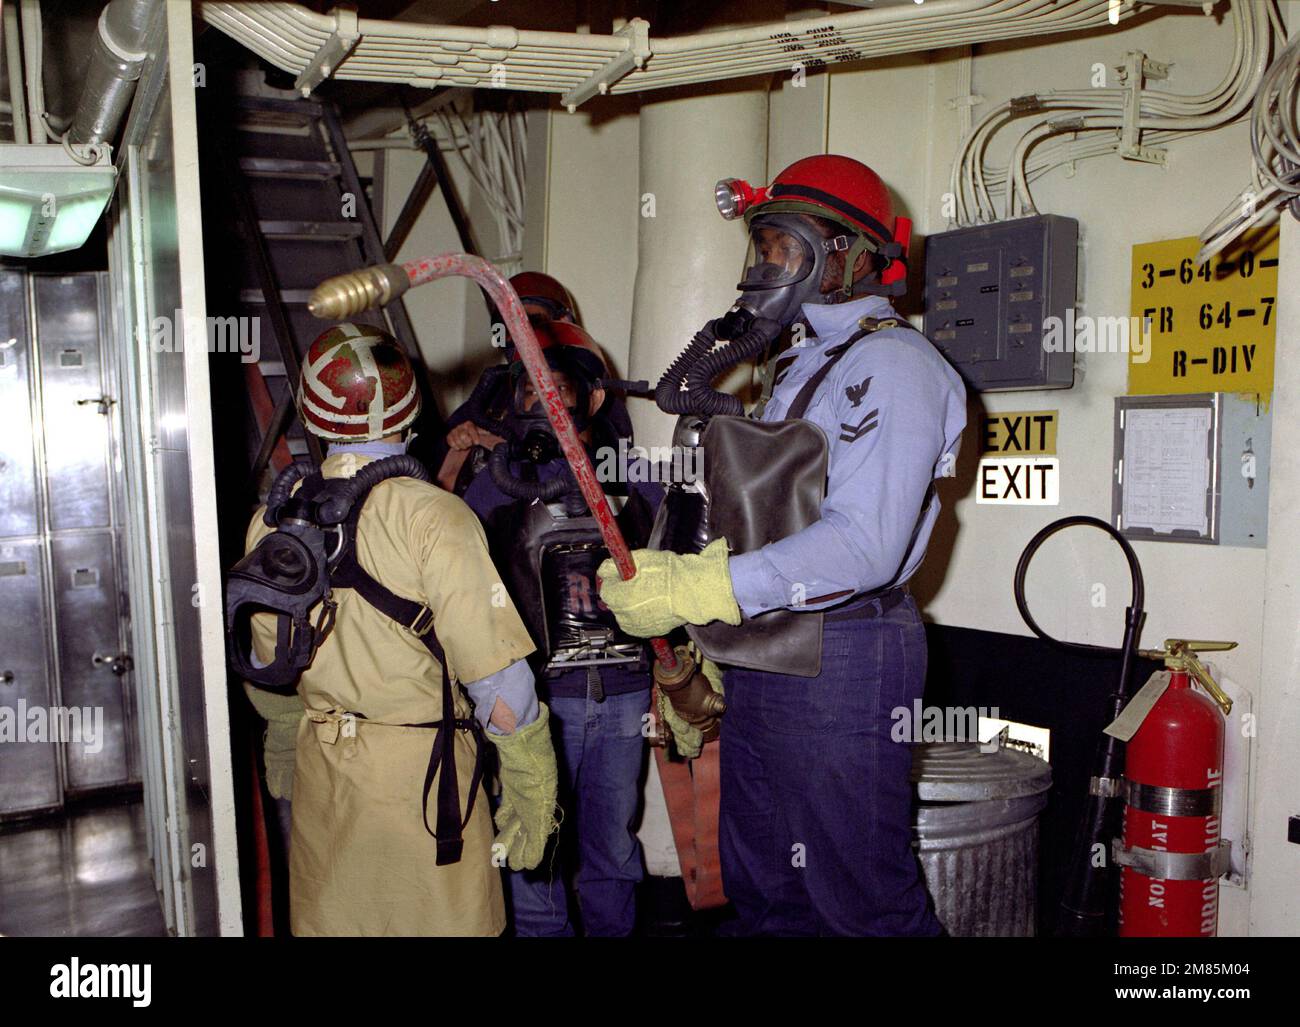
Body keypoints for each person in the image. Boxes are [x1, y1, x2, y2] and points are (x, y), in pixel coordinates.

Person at [598, 155, 968, 936]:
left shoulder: (895, 365)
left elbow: (862, 547)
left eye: (784, 246)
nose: (765, 265)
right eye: (760, 245)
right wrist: (713, 636)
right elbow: (769, 515)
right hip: (774, 647)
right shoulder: (799, 361)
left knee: (861, 901)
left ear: (850, 254)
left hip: (846, 651)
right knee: (767, 887)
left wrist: (706, 591)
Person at [242, 323, 559, 936]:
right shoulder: (434, 515)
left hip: (324, 777)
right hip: (422, 783)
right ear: (412, 410)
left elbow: (268, 670)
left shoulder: (271, 522)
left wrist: (284, 744)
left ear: (310, 408)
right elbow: (496, 678)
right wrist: (531, 783)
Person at [461, 315, 662, 936]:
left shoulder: (636, 479)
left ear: (593, 397)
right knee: (534, 849)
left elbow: (672, 572)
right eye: (528, 390)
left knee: (614, 850)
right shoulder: (491, 491)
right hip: (540, 703)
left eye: (559, 390)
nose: (541, 402)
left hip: (626, 694)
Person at [436, 272, 632, 492]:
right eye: (510, 326)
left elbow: (610, 465)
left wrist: (501, 444)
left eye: (533, 322)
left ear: (562, 322)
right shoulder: (491, 393)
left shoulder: (590, 390)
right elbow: (439, 477)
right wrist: (461, 443)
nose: (522, 334)